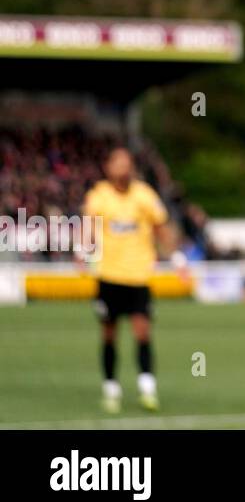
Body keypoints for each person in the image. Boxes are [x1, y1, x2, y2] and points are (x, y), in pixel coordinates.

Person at [80, 146, 181, 413]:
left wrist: (177, 258)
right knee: (109, 333)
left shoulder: (145, 195)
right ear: (108, 167)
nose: (124, 169)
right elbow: (88, 229)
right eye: (118, 164)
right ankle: (111, 388)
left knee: (142, 331)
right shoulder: (98, 196)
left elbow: (161, 229)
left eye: (127, 164)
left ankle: (147, 389)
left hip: (138, 276)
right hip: (109, 275)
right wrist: (82, 251)